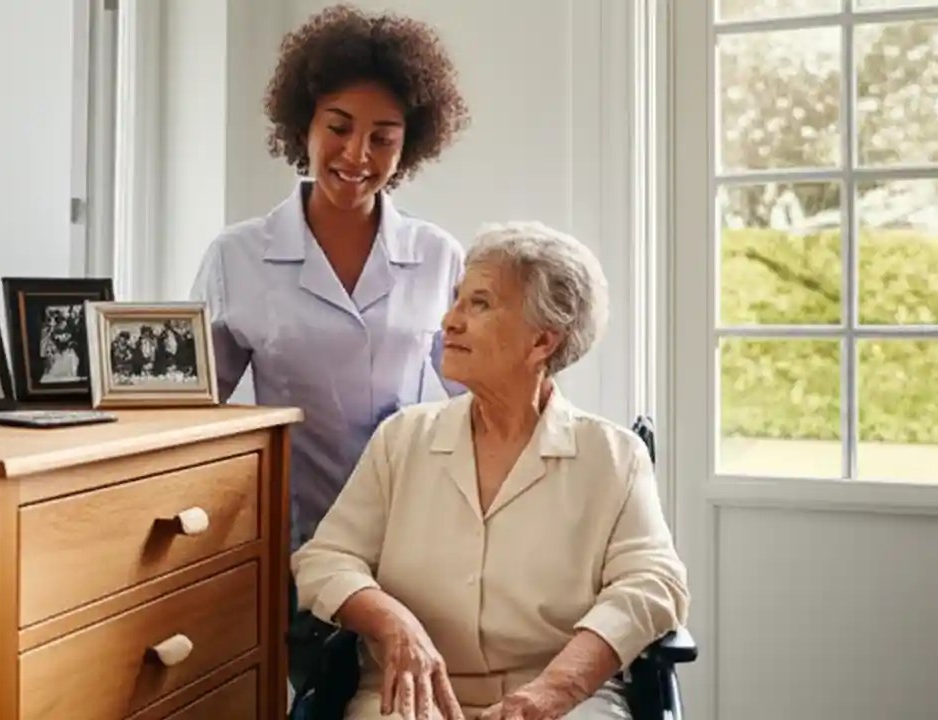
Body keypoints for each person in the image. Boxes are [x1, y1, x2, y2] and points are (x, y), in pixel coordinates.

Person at [292, 222, 690, 719]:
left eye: (478, 304)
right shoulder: (402, 439)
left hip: (565, 701)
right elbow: (325, 558)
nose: (449, 321)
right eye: (456, 300)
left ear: (542, 341)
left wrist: (553, 691)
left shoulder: (613, 456)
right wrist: (394, 624)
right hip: (408, 695)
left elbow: (654, 585)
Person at [188, 2, 471, 690]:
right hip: (289, 546)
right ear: (304, 125)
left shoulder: (437, 256)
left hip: (414, 544)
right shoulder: (238, 256)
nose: (357, 156)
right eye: (339, 129)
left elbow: (478, 396)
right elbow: (197, 409)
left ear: (411, 145)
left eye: (384, 138)